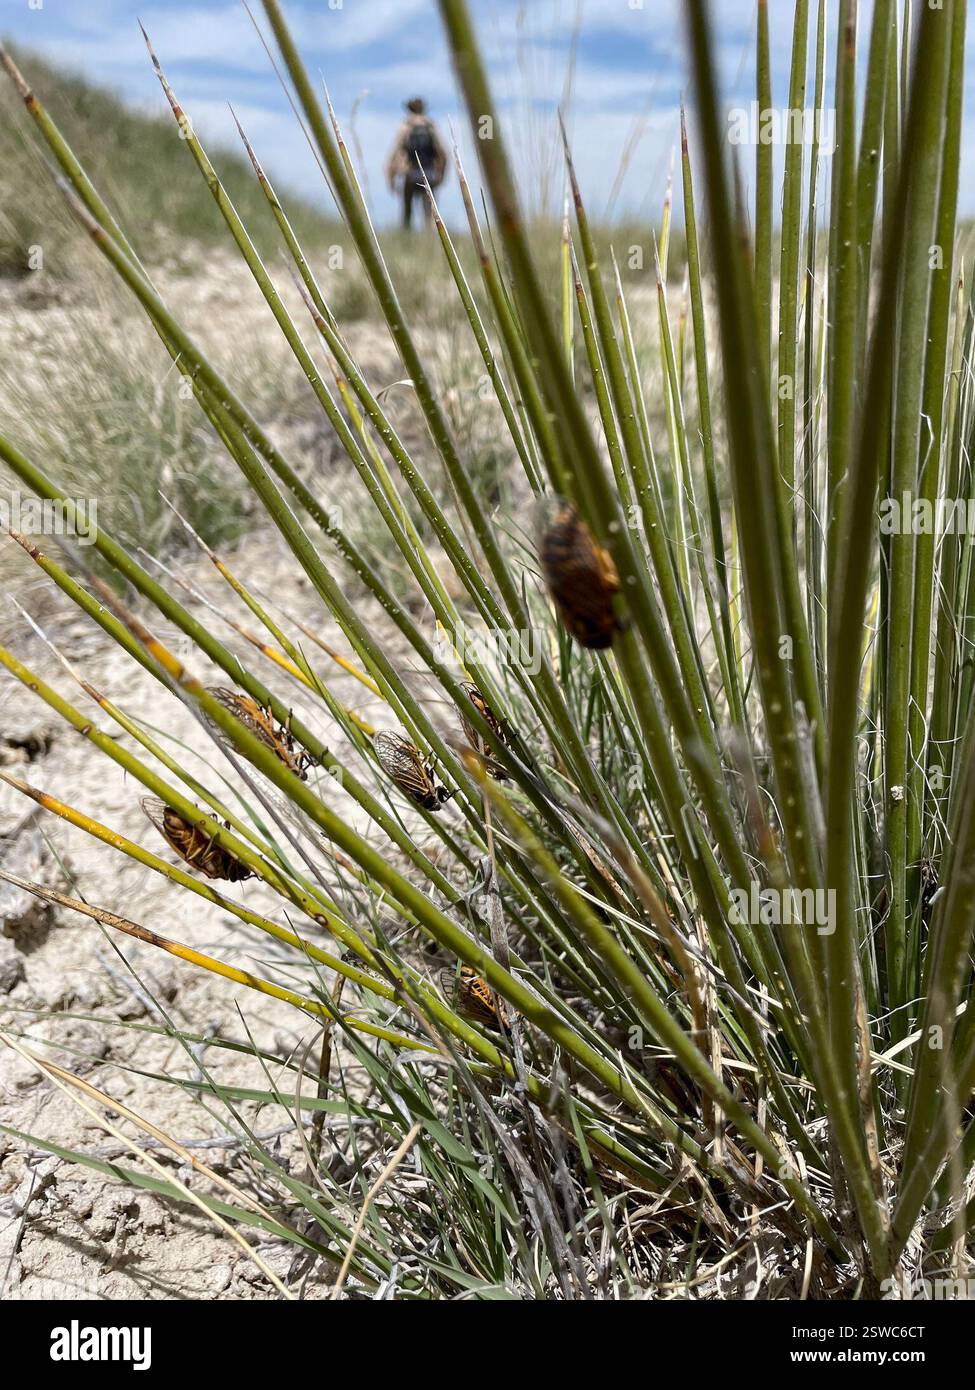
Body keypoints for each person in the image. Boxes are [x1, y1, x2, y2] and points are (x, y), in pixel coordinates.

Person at [386, 97, 447, 229]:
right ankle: (429, 242)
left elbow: (394, 153)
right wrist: (441, 175)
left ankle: (407, 241)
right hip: (430, 173)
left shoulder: (405, 126)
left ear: (408, 109)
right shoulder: (431, 126)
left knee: (407, 211)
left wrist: (391, 178)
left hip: (411, 174)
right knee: (429, 214)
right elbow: (443, 153)